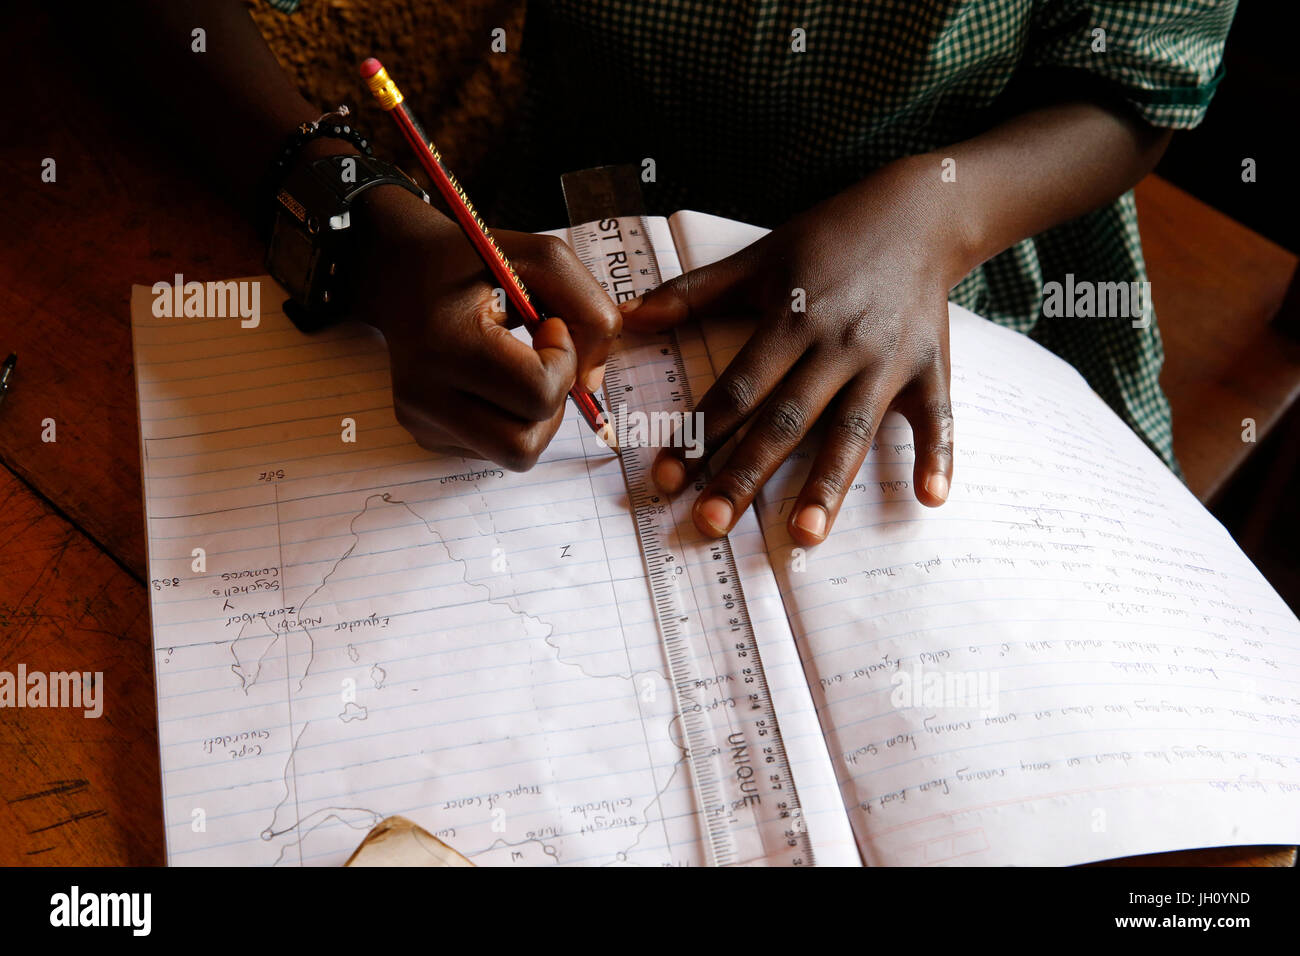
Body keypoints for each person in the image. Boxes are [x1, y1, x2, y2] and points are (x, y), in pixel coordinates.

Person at [113, 0, 1237, 546]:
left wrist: (936, 214)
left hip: (959, 243)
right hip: (573, 216)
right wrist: (358, 222)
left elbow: (1129, 91)